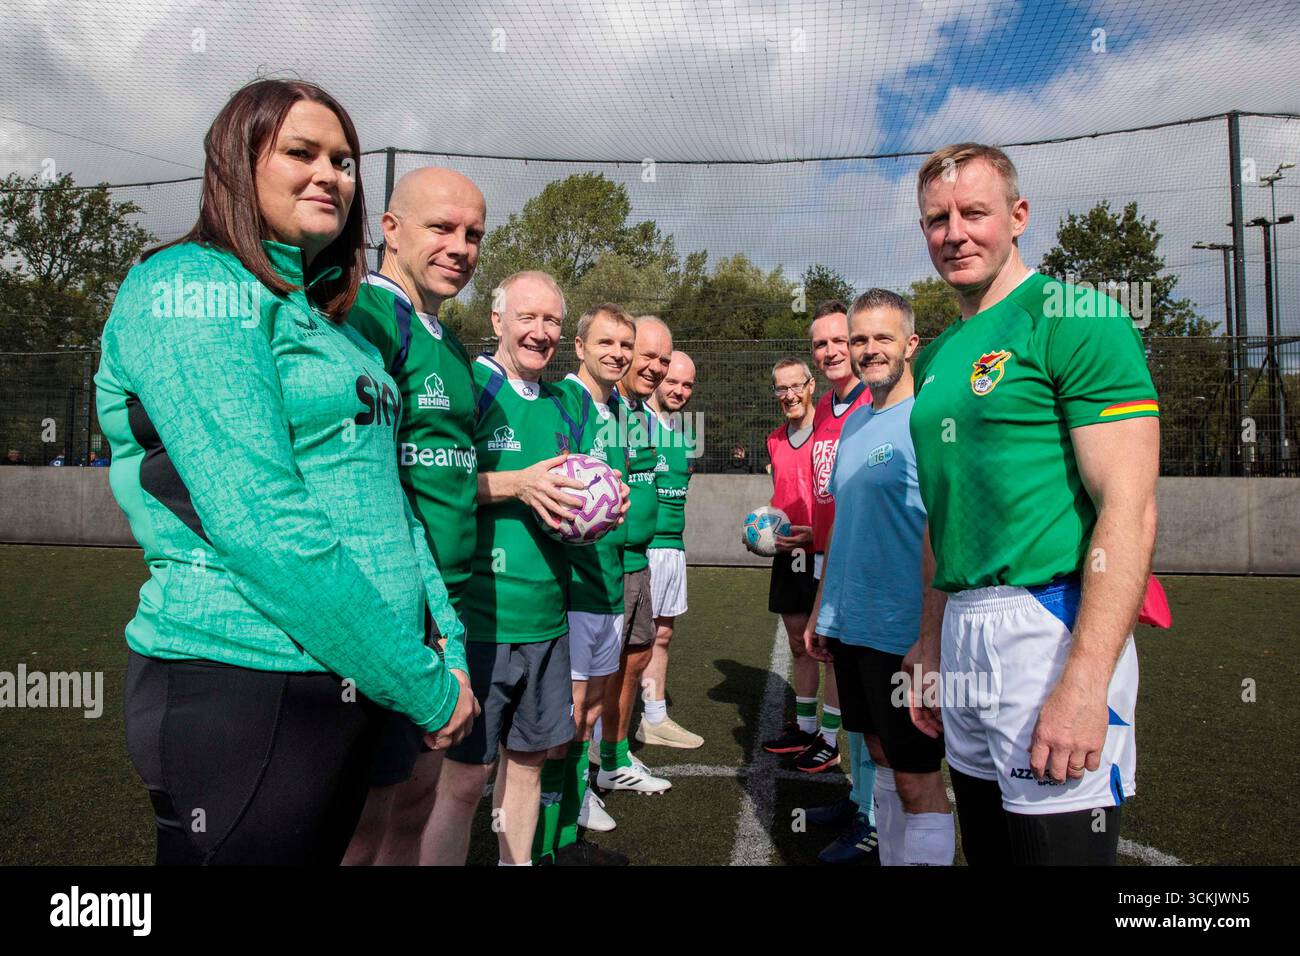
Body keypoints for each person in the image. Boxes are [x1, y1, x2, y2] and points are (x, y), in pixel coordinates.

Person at [94, 79, 475, 865]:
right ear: (237, 162)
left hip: (354, 677)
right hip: (241, 680)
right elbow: (261, 521)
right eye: (301, 152)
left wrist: (452, 647)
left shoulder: (339, 329)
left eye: (344, 159)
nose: (330, 174)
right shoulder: (190, 286)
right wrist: (424, 683)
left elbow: (394, 510)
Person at [909, 143, 1159, 865]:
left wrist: (1084, 680)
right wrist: (930, 643)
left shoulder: (1076, 315)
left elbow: (1130, 506)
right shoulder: (935, 357)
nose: (953, 232)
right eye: (935, 219)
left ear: (1018, 216)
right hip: (963, 629)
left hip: (1048, 627)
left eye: (973, 213)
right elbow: (939, 514)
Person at [341, 167, 485, 866]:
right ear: (388, 230)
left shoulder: (450, 342)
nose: (461, 246)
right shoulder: (364, 316)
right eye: (442, 227)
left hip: (448, 609)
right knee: (362, 822)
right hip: (388, 607)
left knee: (418, 800)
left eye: (474, 234)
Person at [423, 271, 589, 866]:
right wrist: (516, 483)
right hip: (481, 622)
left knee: (527, 768)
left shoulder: (565, 404)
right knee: (464, 783)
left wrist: (601, 502)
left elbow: (573, 491)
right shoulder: (467, 386)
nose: (540, 332)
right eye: (527, 317)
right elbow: (434, 483)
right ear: (497, 321)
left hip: (548, 619)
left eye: (551, 321)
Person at [804, 289, 954, 866]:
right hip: (854, 626)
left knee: (919, 780)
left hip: (906, 637)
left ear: (911, 343)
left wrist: (928, 636)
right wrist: (824, 609)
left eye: (882, 338)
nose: (869, 350)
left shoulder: (929, 419)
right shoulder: (856, 421)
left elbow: (943, 533)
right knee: (881, 761)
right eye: (859, 339)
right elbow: (844, 525)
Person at [537, 303, 637, 865]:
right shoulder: (564, 401)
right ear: (579, 346)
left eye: (625, 344)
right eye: (606, 343)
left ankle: (572, 836)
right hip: (572, 592)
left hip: (608, 585)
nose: (617, 354)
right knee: (567, 717)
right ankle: (546, 845)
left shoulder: (620, 408)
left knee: (592, 711)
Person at [593, 315, 674, 794]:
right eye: (648, 355)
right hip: (607, 566)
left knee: (636, 659)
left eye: (663, 358)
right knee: (598, 670)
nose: (656, 367)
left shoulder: (645, 414)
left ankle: (614, 758)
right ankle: (583, 772)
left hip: (639, 562)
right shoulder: (597, 406)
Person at [639, 350, 701, 749]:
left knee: (662, 636)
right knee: (629, 641)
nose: (679, 390)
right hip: (643, 549)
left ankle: (655, 717)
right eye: (672, 381)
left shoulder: (684, 429)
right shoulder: (632, 422)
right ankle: (601, 731)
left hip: (673, 550)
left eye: (687, 384)